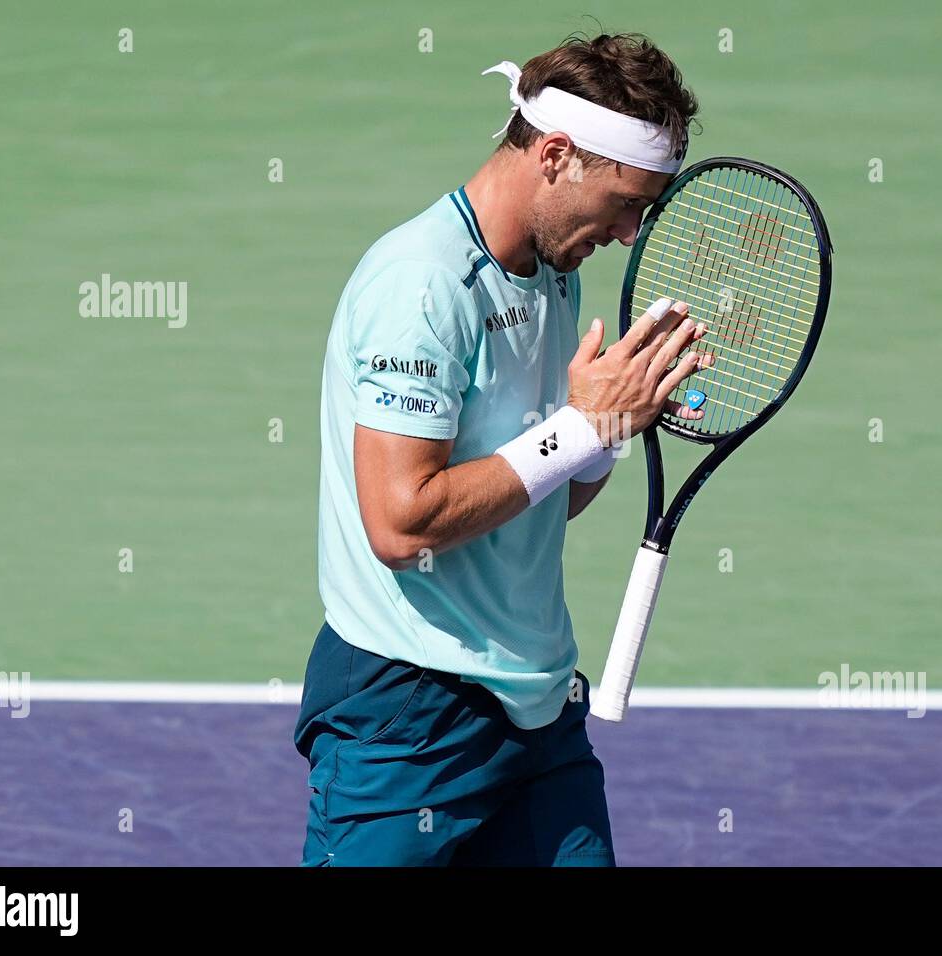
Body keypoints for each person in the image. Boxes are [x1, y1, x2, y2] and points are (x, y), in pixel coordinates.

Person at [294, 32, 708, 866]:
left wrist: (612, 426)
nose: (630, 233)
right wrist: (581, 427)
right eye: (626, 203)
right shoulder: (422, 285)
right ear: (556, 156)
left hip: (540, 713)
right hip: (408, 718)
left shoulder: (557, 271)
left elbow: (546, 493)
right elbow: (401, 523)